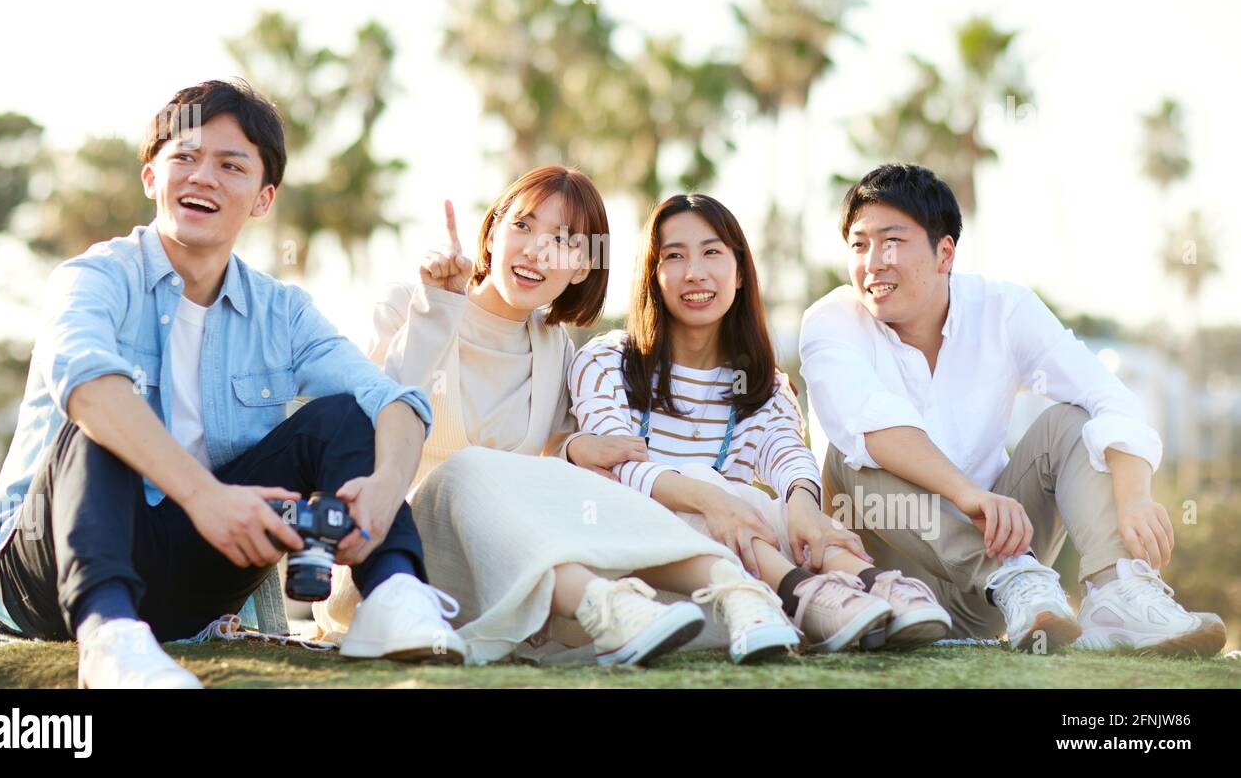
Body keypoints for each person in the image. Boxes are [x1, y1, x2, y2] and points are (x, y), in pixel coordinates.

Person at [0, 79, 463, 688]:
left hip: (192, 575)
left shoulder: (281, 311)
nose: (203, 177)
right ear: (152, 177)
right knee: (102, 420)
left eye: (231, 165)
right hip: (50, 567)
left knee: (343, 414)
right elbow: (88, 386)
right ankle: (109, 641)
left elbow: (390, 400)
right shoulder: (93, 278)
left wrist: (389, 487)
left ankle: (392, 594)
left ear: (262, 199)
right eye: (185, 158)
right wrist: (205, 496)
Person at [318, 166, 801, 665]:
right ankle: (607, 607)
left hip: (506, 572)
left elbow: (554, 471)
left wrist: (573, 448)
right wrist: (437, 307)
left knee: (626, 487)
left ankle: (734, 588)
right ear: (493, 233)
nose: (536, 251)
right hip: (395, 564)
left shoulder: (555, 350)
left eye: (564, 241)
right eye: (524, 226)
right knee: (469, 467)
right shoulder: (410, 304)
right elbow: (367, 421)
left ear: (580, 268)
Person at [798, 162, 1226, 656]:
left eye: (891, 241)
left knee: (1071, 422)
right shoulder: (831, 321)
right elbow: (872, 426)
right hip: (884, 589)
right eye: (858, 244)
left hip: (992, 599)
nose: (873, 262)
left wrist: (1134, 496)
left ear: (944, 253)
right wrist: (967, 494)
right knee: (853, 457)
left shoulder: (1003, 309)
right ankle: (1013, 576)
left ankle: (1116, 592)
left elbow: (1107, 397)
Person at [569, 194, 953, 652]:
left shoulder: (762, 384)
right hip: (645, 586)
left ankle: (873, 584)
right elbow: (617, 466)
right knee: (716, 488)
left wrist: (804, 506)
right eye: (674, 256)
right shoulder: (606, 360)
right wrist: (710, 498)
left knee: (781, 511)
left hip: (742, 580)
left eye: (712, 252)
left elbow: (788, 452)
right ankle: (802, 593)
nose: (695, 272)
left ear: (740, 270)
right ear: (653, 274)